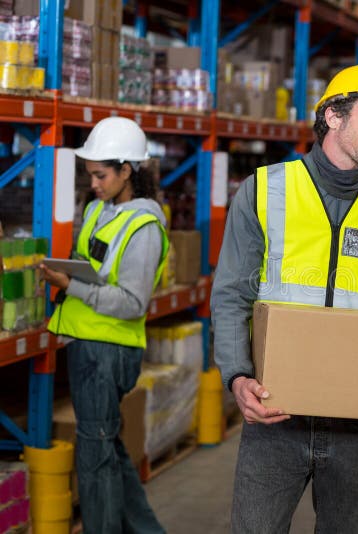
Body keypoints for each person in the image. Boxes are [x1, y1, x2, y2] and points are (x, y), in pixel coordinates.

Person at [210, 63, 358, 533]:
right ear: (333, 115)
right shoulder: (264, 190)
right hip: (276, 413)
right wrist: (237, 376)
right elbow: (231, 295)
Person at [39, 117, 168, 533]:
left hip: (109, 352)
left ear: (127, 170)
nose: (93, 183)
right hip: (87, 345)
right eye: (89, 174)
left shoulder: (144, 227)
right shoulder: (98, 210)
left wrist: (70, 285)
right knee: (106, 448)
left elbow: (132, 302)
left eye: (100, 174)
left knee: (95, 461)